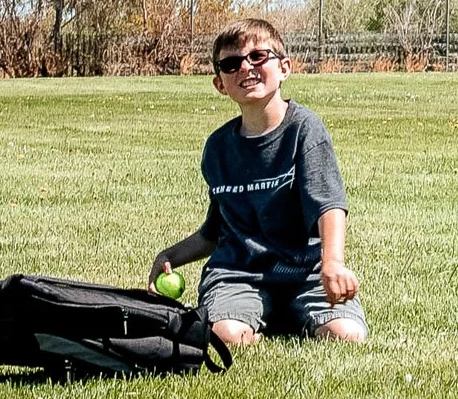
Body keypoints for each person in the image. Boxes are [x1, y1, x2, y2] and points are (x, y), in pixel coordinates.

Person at [149, 17, 366, 347]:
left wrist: (333, 263)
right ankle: (252, 318)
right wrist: (170, 254)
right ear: (220, 84)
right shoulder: (218, 147)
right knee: (225, 336)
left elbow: (329, 206)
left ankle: (289, 314)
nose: (246, 68)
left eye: (258, 57)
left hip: (305, 273)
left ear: (285, 68)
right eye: (231, 63)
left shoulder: (304, 130)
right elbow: (215, 231)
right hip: (239, 275)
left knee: (347, 335)